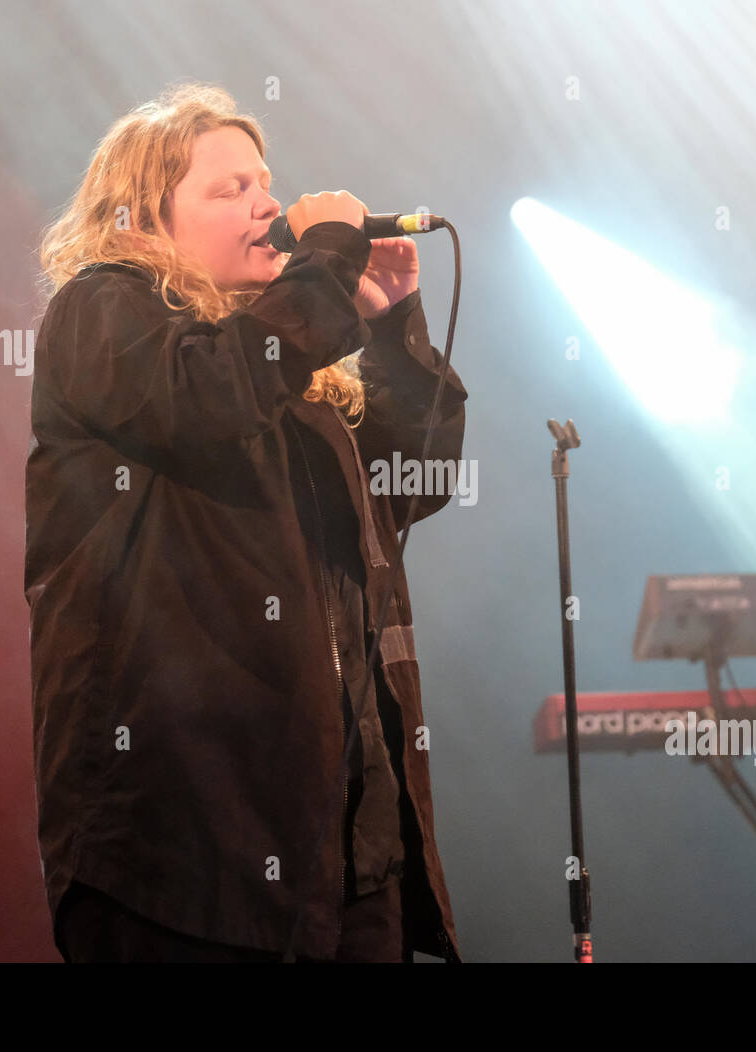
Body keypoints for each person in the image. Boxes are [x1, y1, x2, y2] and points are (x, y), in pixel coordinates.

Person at [25, 82, 467, 962]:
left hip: (342, 849)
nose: (268, 203)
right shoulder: (102, 313)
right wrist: (326, 266)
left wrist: (387, 330)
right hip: (181, 852)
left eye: (265, 181)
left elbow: (412, 484)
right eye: (227, 189)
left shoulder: (288, 382)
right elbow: (205, 397)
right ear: (141, 221)